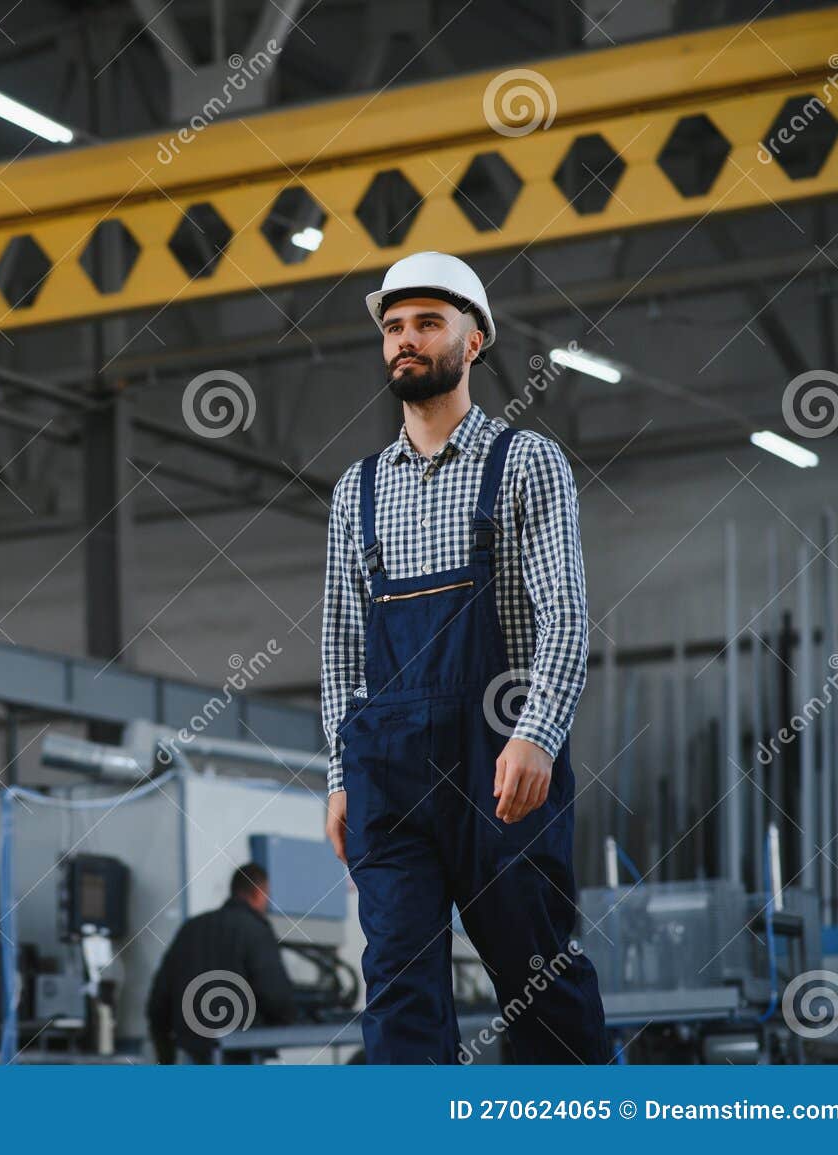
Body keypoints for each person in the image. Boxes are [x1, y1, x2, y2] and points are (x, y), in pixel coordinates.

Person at [320, 251, 610, 1065]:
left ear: (474, 340)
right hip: (388, 780)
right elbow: (342, 646)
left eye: (426, 324)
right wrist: (341, 776)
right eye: (393, 327)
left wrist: (537, 735)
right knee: (400, 993)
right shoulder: (358, 490)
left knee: (539, 982)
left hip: (500, 764)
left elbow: (567, 614)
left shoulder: (524, 464)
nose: (405, 341)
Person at [146, 863, 298, 1063]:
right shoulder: (254, 930)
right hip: (241, 1058)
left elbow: (157, 1003)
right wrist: (292, 1018)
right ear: (260, 893)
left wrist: (166, 1059)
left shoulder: (191, 929)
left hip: (192, 1058)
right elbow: (277, 997)